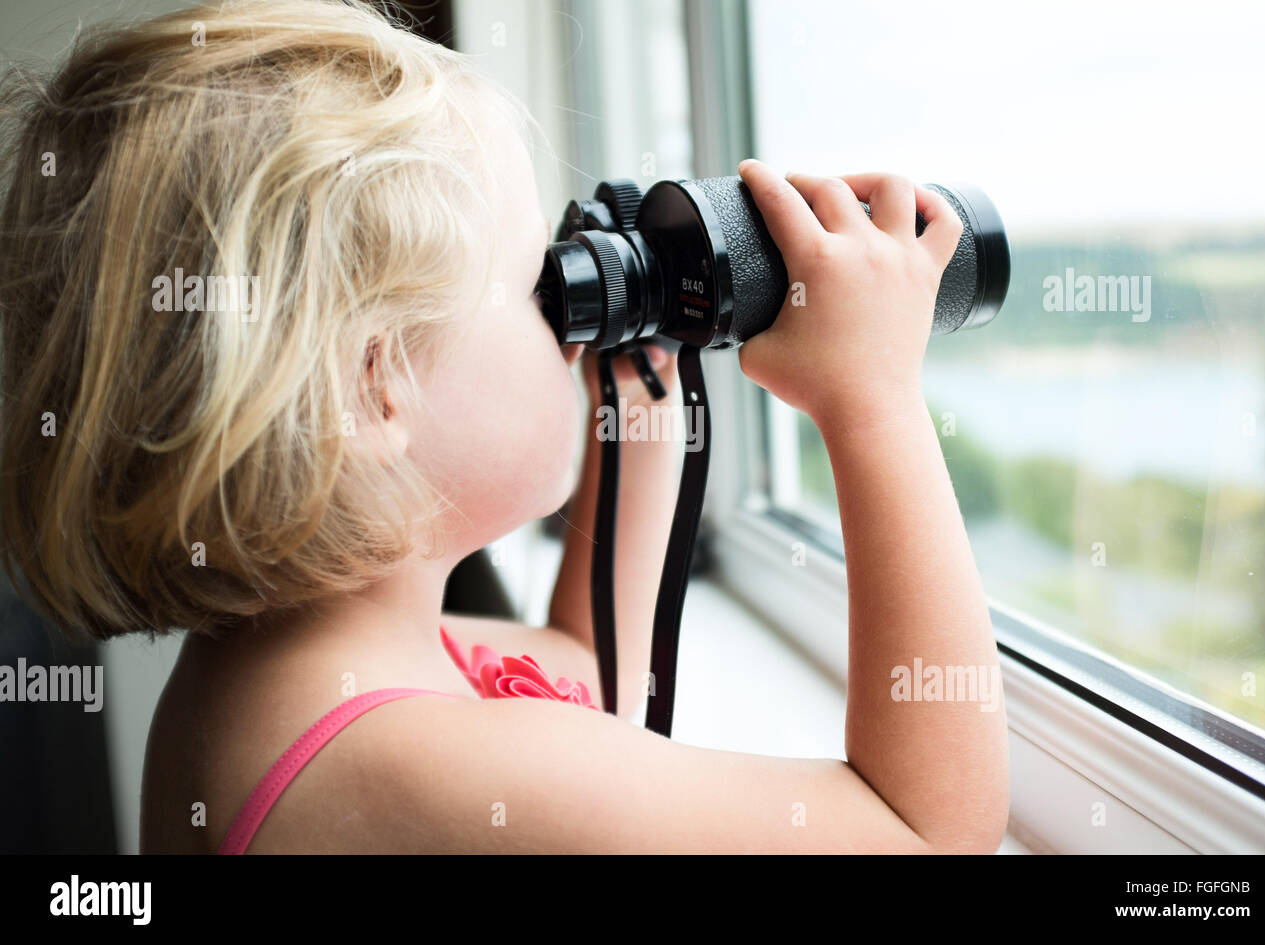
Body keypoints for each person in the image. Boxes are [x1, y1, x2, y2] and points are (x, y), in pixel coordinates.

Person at [0, 0, 1008, 853]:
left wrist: (641, 406)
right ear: (377, 390)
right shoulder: (407, 764)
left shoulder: (294, 675)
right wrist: (872, 401)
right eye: (539, 280)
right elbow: (922, 834)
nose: (571, 326)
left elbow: (581, 680)